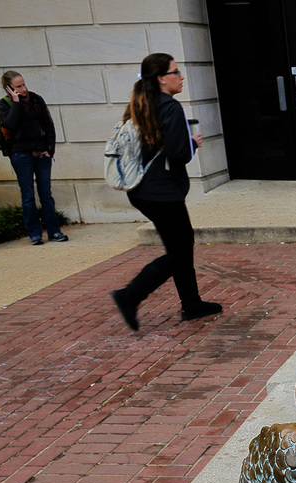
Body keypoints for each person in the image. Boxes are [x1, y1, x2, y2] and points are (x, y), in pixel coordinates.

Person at [110, 53, 221, 331]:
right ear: (161, 78)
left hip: (144, 191)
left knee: (180, 246)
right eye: (175, 72)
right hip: (161, 192)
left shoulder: (143, 103)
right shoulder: (169, 106)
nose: (180, 76)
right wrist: (192, 143)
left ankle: (192, 303)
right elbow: (177, 153)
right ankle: (129, 295)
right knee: (180, 252)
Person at [0, 71, 68, 246]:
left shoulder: (36, 99)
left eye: (23, 84)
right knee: (28, 195)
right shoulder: (4, 104)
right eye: (18, 87)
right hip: (20, 153)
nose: (23, 89)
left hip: (41, 152)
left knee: (46, 193)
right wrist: (16, 103)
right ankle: (35, 234)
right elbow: (10, 124)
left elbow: (48, 124)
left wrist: (50, 149)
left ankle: (54, 231)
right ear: (9, 88)